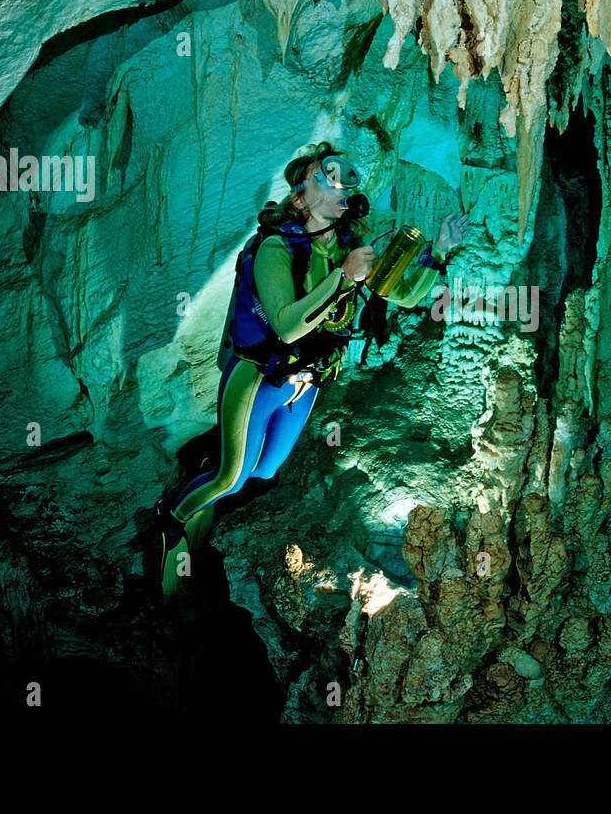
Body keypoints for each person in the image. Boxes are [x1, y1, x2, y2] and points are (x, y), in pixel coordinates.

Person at [157, 142, 469, 601]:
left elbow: (398, 294)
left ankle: (215, 465)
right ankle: (173, 517)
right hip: (261, 375)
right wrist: (343, 276)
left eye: (344, 175)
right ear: (301, 197)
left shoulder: (346, 247)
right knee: (231, 478)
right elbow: (285, 326)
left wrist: (437, 251)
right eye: (327, 174)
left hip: (308, 381)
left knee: (262, 472)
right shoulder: (275, 247)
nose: (341, 182)